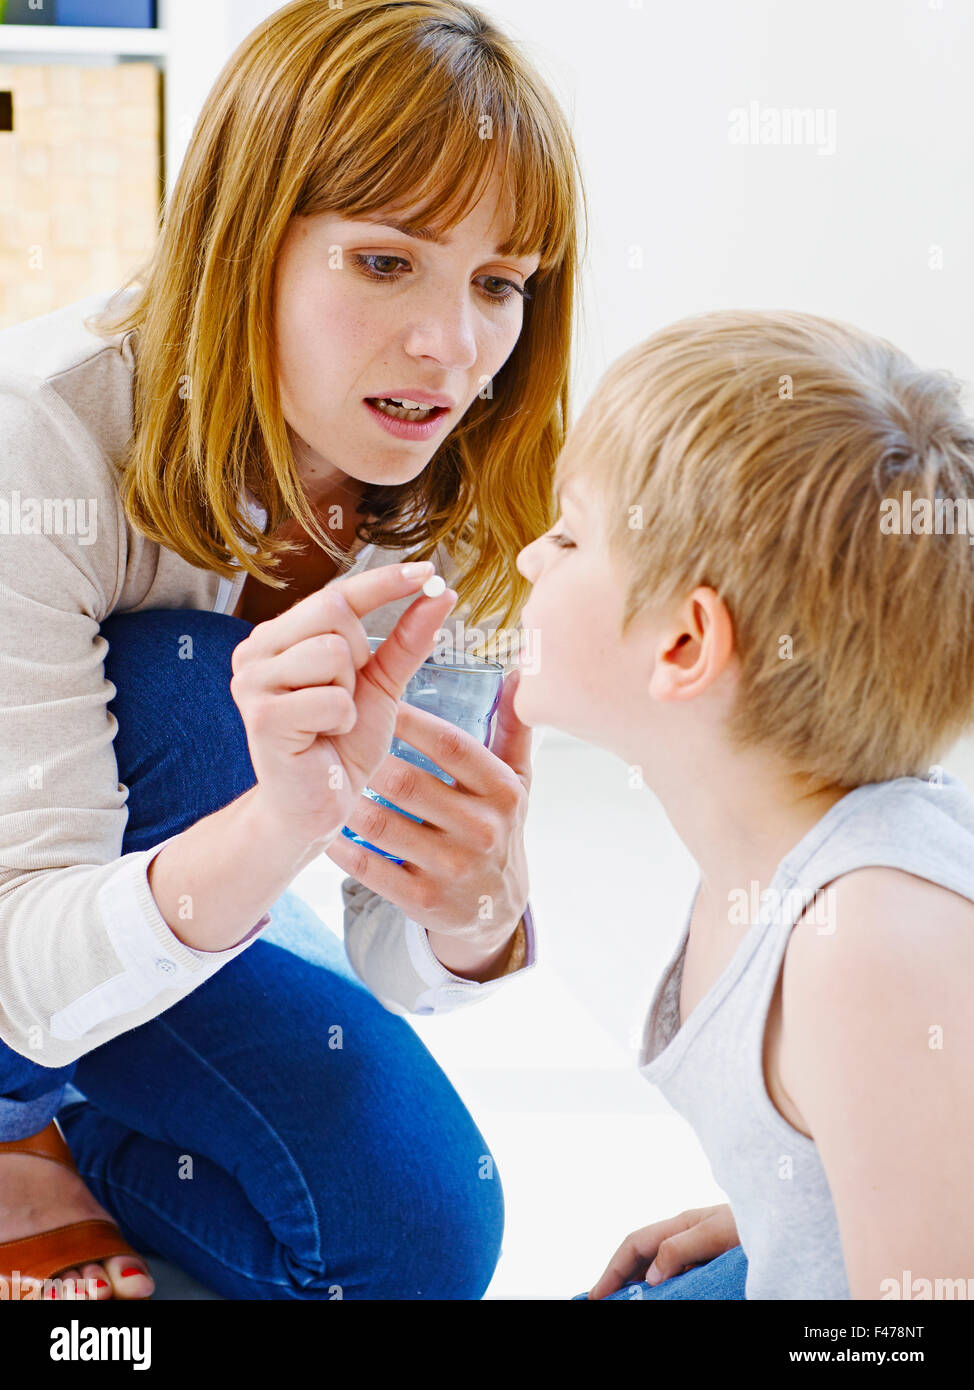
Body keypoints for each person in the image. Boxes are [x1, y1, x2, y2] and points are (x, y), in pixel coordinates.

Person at [0, 0, 583, 1300]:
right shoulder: (37, 432)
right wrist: (276, 819)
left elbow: (391, 939)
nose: (450, 348)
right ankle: (11, 1136)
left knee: (421, 1236)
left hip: (160, 898)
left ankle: (79, 1122)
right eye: (386, 263)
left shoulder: (471, 488)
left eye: (497, 283)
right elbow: (14, 952)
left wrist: (479, 905)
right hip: (16, 914)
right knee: (185, 681)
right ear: (243, 240)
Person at [511, 309, 974, 1299]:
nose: (525, 560)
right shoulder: (768, 847)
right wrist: (778, 1212)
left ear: (683, 644)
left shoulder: (867, 940)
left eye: (566, 535)